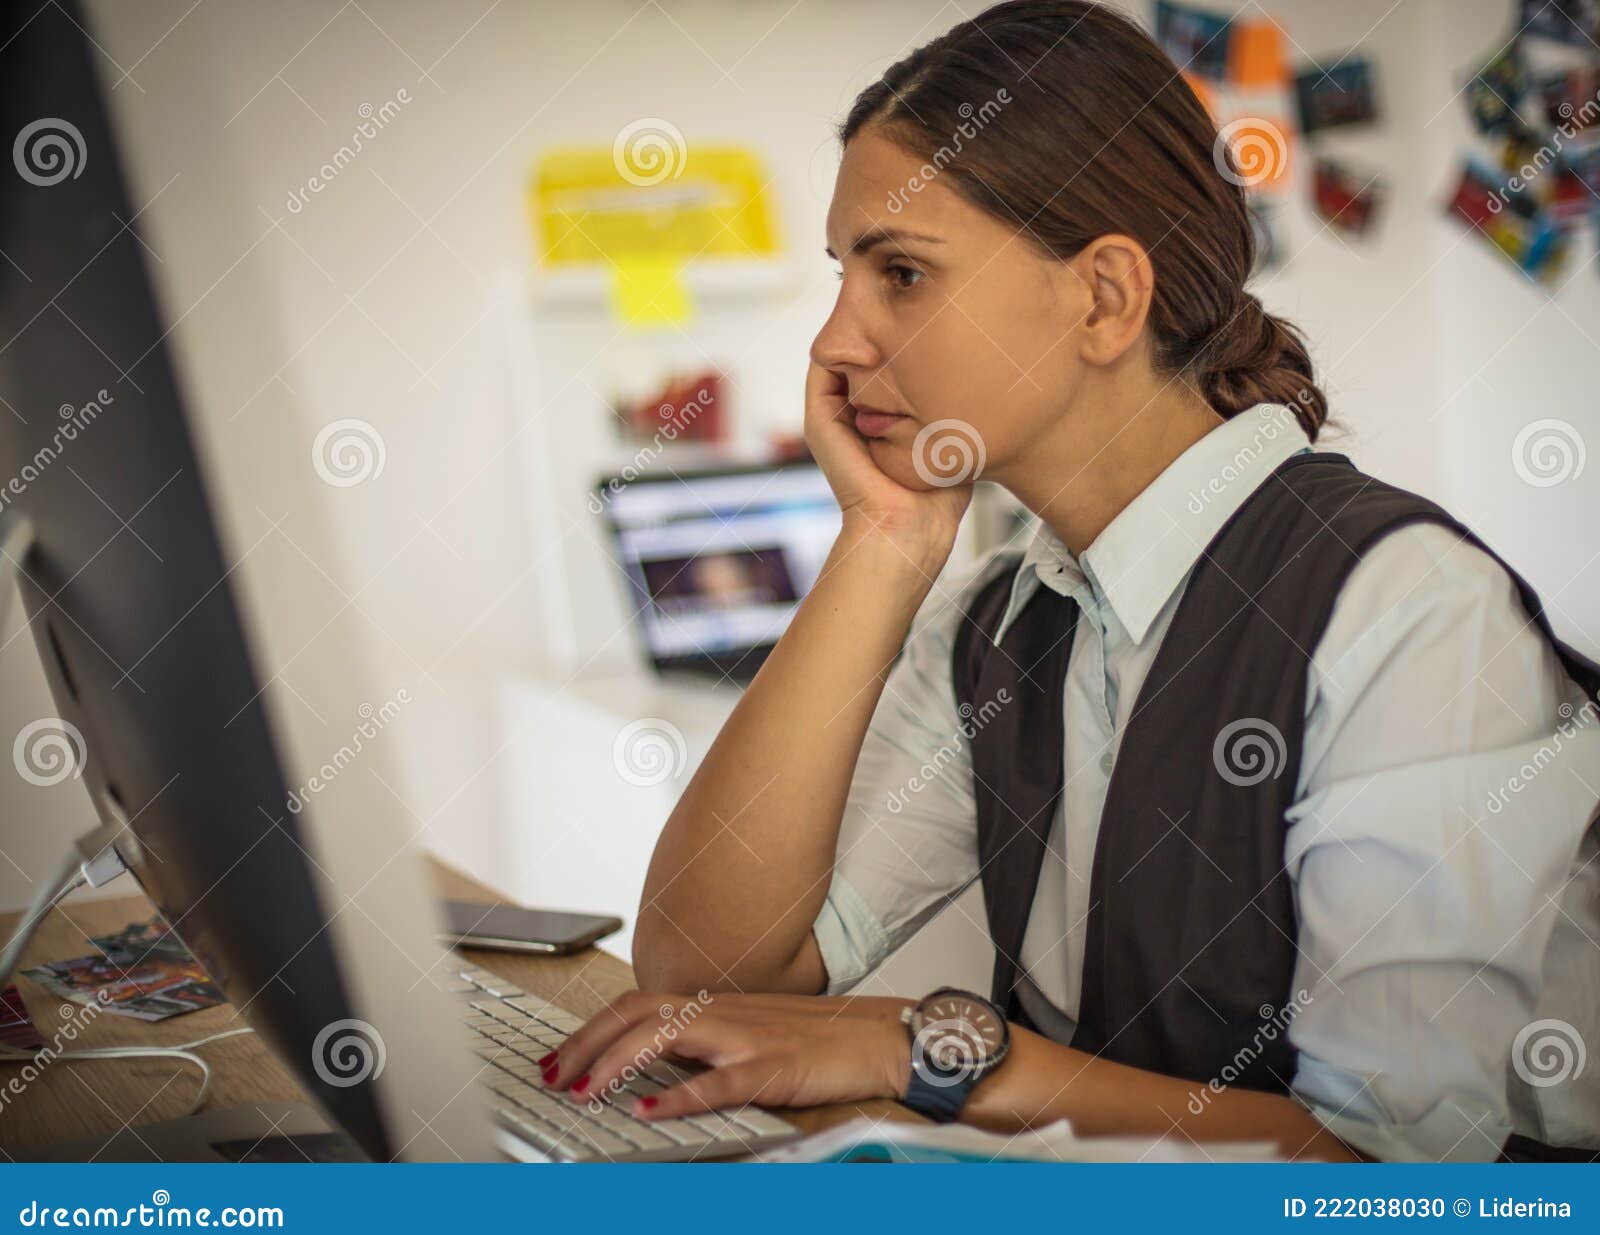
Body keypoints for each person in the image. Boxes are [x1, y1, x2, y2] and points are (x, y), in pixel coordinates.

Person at [545, 0, 1600, 1162]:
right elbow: (708, 975)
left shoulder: (1407, 616)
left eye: (900, 272)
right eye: (845, 274)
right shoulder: (998, 621)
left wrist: (928, 1048)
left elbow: (1391, 1177)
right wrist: (880, 545)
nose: (834, 344)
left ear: (1102, 297)